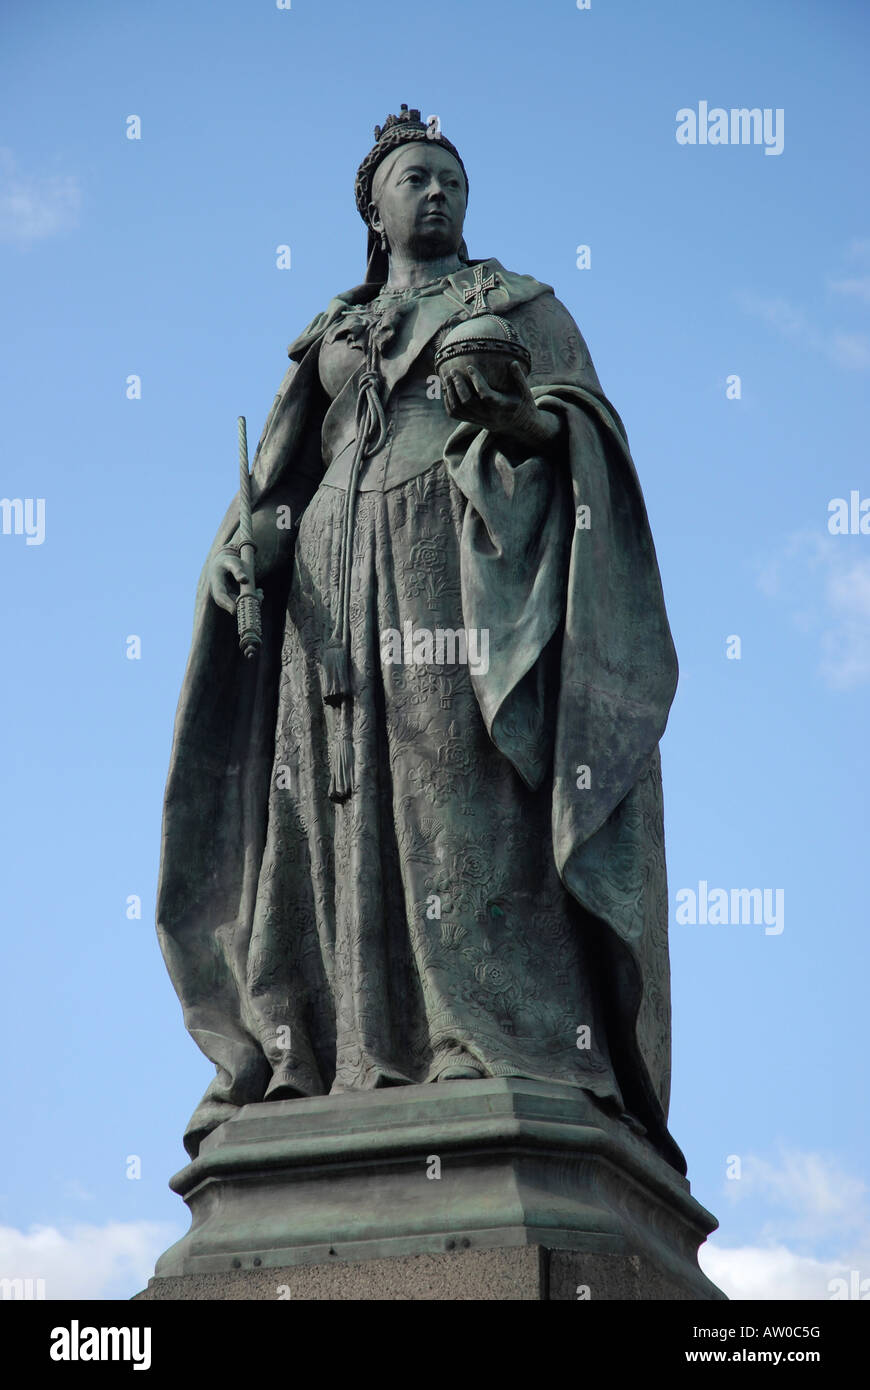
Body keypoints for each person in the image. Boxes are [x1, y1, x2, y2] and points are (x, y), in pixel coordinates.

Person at [157, 106, 685, 1173]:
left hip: (455, 574)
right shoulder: (329, 336)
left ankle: (484, 1036)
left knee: (459, 792)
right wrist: (240, 552)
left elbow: (584, 426)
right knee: (324, 806)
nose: (436, 192)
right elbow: (281, 480)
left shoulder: (517, 305)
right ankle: (334, 1049)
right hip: (329, 595)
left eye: (450, 178)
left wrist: (519, 415)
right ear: (375, 207)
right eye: (414, 179)